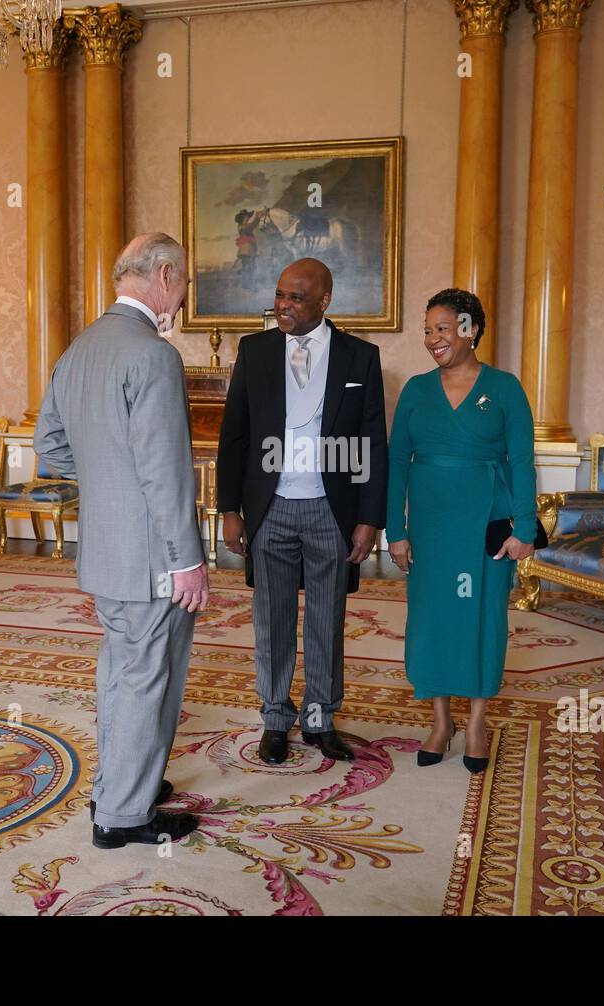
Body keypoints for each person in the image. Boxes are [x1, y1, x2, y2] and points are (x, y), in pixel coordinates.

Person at [34, 232, 209, 849]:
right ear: (163, 276)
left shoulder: (79, 348)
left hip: (105, 552)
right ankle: (123, 816)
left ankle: (124, 782)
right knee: (144, 677)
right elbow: (164, 470)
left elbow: (48, 447)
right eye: (184, 284)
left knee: (120, 672)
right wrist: (187, 559)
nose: (183, 299)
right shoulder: (153, 355)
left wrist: (107, 481)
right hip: (152, 559)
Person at [216, 257, 388, 765]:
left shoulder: (361, 357)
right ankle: (275, 718)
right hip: (269, 510)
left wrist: (369, 517)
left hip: (331, 513)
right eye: (280, 295)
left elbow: (373, 443)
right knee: (271, 621)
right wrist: (229, 508)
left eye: (295, 297)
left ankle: (320, 718)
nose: (283, 306)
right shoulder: (255, 351)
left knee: (327, 622)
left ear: (324, 301)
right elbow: (235, 436)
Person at [386, 289, 536, 773]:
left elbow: (521, 460)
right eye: (428, 330)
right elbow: (395, 464)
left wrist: (526, 526)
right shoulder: (415, 390)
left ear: (470, 330)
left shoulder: (505, 387)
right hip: (430, 529)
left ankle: (476, 721)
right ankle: (439, 719)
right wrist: (396, 529)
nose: (432, 339)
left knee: (481, 619)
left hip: (486, 525)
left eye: (443, 328)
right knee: (430, 621)